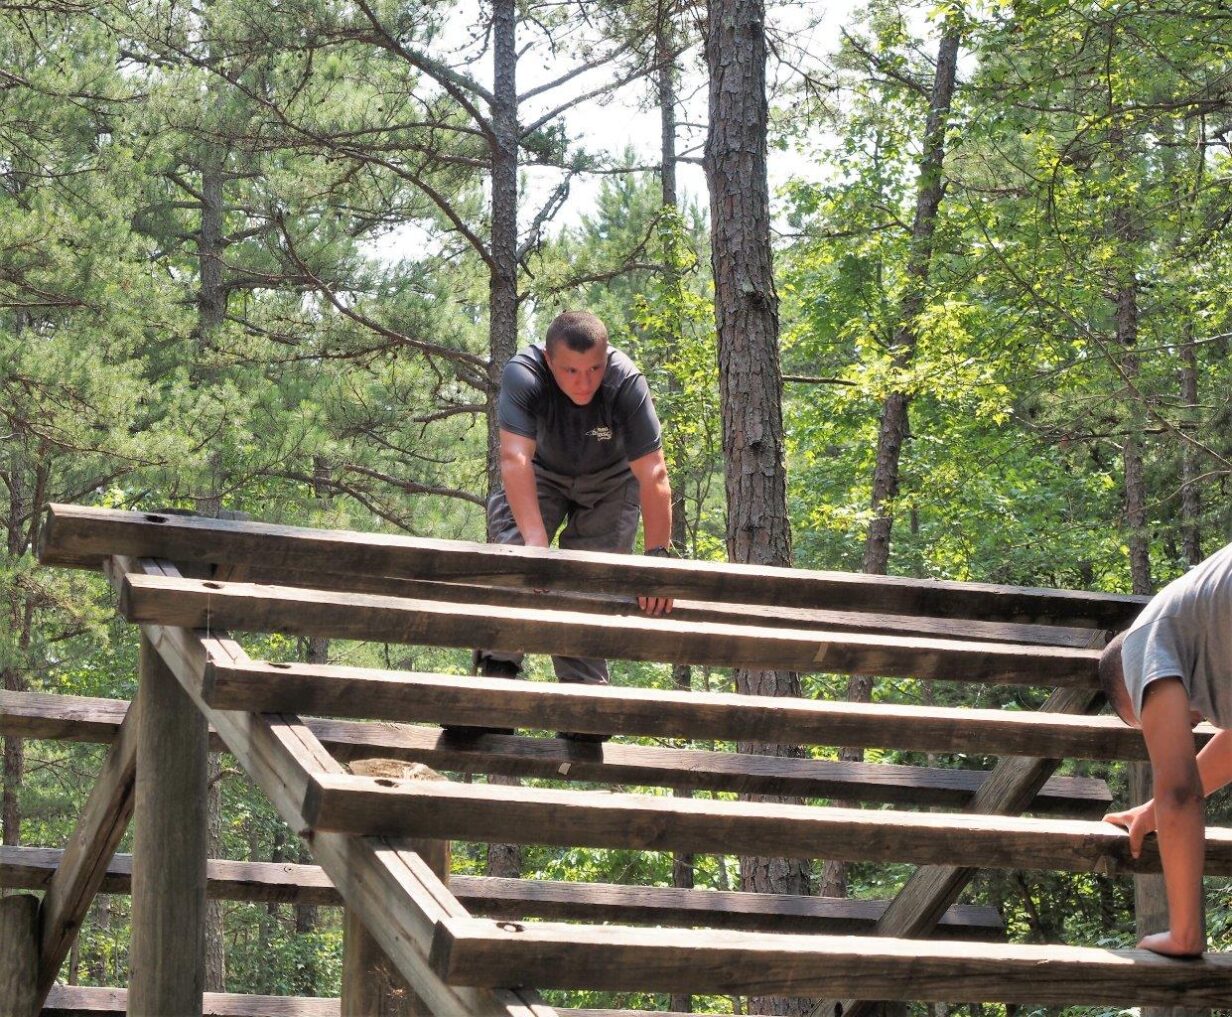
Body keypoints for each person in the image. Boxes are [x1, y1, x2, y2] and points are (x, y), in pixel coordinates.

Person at [464, 309, 675, 742]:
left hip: (611, 483)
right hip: (538, 474)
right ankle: (496, 683)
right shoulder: (525, 375)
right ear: (548, 358)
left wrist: (658, 564)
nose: (584, 381)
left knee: (592, 581)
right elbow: (514, 459)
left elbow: (653, 475)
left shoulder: (625, 382)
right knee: (517, 562)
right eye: (571, 370)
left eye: (594, 368)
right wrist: (536, 543)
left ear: (607, 356)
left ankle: (584, 700)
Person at [1100, 540, 1232, 957]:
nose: (1184, 723)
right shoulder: (1205, 622)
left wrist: (1185, 935)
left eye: (1146, 712)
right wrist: (1154, 810)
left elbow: (1178, 790)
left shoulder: (1140, 644)